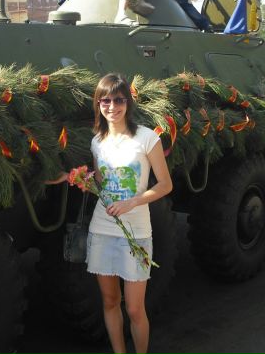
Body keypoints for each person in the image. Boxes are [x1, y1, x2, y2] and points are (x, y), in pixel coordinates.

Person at [47, 73, 172, 354]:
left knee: (135, 309)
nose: (112, 106)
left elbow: (165, 185)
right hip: (102, 230)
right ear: (98, 104)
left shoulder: (146, 138)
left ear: (128, 102)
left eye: (118, 100)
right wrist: (73, 177)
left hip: (136, 234)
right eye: (105, 101)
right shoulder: (97, 142)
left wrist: (133, 202)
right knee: (110, 302)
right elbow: (102, 185)